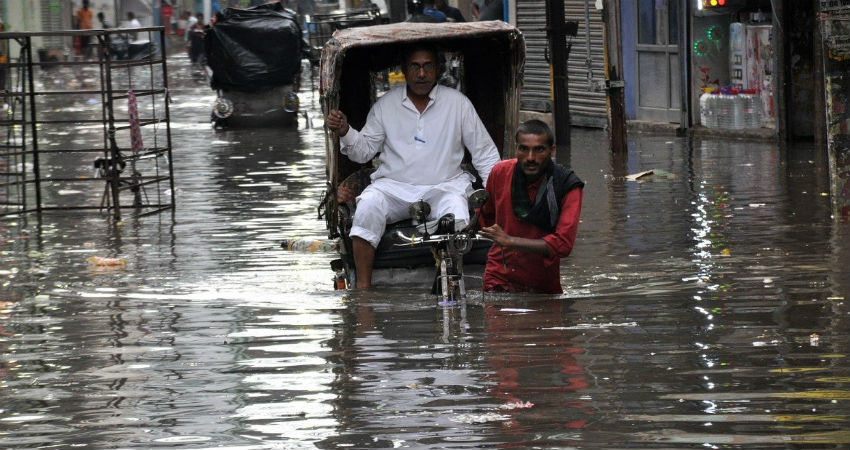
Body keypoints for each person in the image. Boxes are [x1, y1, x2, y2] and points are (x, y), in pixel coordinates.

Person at [326, 43, 500, 289]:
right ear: (405, 70)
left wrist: (501, 193)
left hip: (445, 186)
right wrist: (345, 131)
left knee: (458, 215)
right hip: (394, 188)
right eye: (415, 67)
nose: (421, 74)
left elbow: (484, 153)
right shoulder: (386, 105)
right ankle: (363, 292)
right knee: (367, 207)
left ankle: (453, 285)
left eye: (428, 66)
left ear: (437, 69)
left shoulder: (458, 103)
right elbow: (363, 151)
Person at [477, 120, 584, 293]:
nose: (531, 158)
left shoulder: (567, 185)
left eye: (539, 149)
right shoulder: (500, 172)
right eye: (524, 149)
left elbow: (563, 244)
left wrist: (510, 241)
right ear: (516, 149)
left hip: (541, 281)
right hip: (498, 276)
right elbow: (485, 216)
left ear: (552, 151)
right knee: (496, 318)